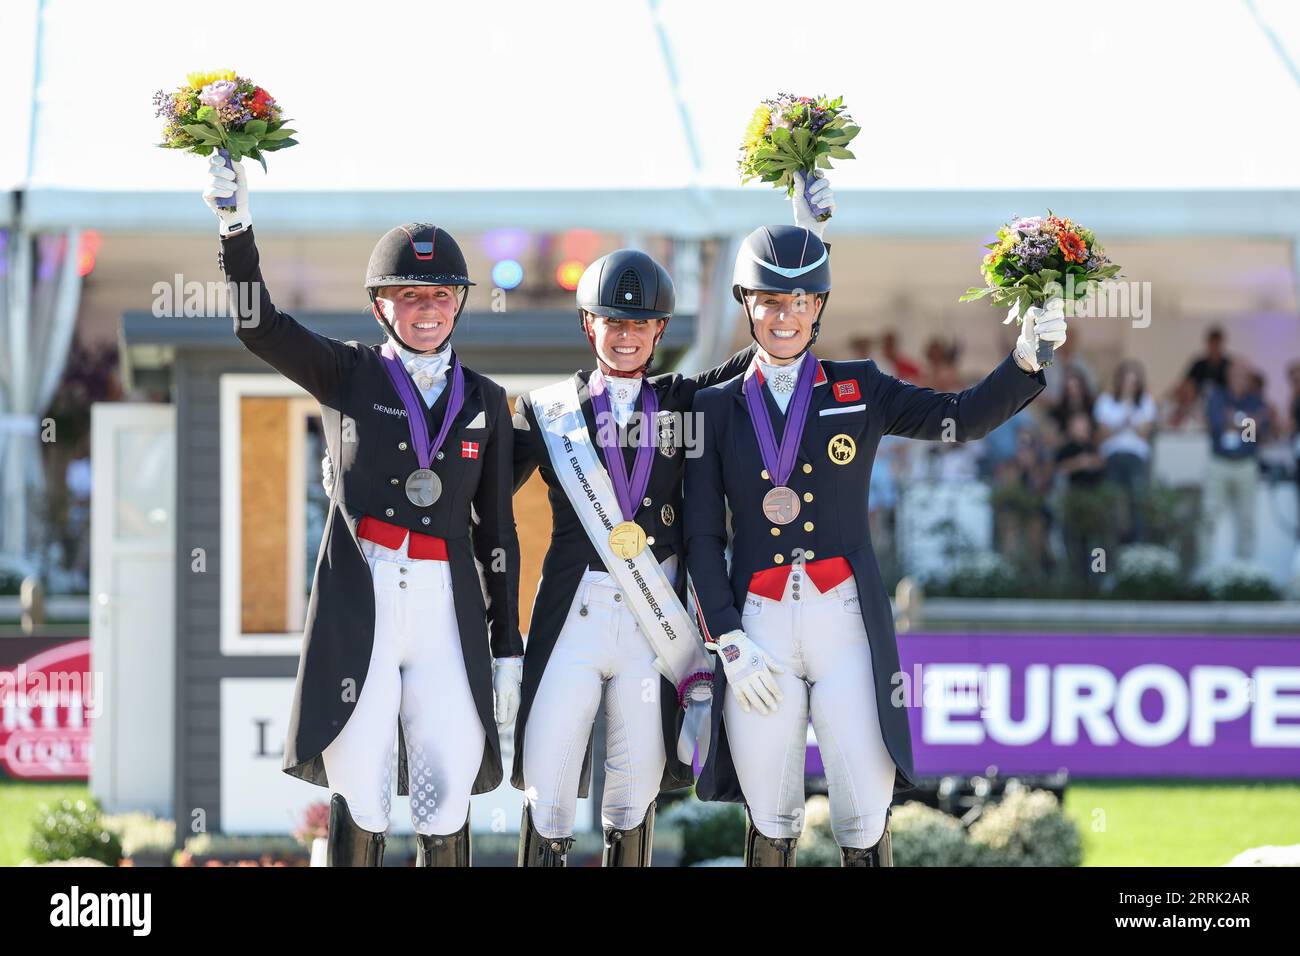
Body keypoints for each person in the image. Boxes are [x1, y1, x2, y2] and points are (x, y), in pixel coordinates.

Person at [683, 175, 1064, 867]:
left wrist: (1025, 361)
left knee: (863, 806)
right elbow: (703, 537)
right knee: (771, 813)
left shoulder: (860, 389)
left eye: (799, 300)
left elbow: (959, 417)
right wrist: (727, 638)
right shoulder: (714, 407)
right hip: (759, 628)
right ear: (747, 305)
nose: (784, 316)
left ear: (819, 305)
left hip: (845, 621)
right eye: (769, 301)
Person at [204, 155, 522, 867]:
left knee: (447, 794)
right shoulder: (346, 371)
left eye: (442, 295)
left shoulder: (485, 400)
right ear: (382, 305)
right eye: (411, 296)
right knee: (365, 794)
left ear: (460, 303)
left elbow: (496, 532)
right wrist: (235, 229)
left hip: (447, 604)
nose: (429, 308)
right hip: (365, 600)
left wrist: (507, 646)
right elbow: (260, 328)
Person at [509, 240, 770, 865]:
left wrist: (803, 228)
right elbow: (477, 497)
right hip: (575, 612)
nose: (626, 335)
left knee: (633, 795)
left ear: (660, 330)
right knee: (547, 786)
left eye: (641, 323)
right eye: (613, 320)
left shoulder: (685, 400)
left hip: (652, 625)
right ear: (588, 323)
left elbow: (767, 348)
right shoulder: (547, 413)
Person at [1202, 360, 1272, 561]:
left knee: (1246, 519)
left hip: (1246, 464)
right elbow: (1217, 424)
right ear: (1228, 377)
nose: (1239, 380)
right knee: (1209, 517)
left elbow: (1260, 429)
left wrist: (1234, 420)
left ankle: (1243, 570)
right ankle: (1205, 566)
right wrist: (1250, 420)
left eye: (1243, 376)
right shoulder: (1217, 397)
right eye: (1235, 375)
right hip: (1219, 463)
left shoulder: (1255, 401)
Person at [1093, 360, 1157, 543]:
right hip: (1113, 457)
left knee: (1137, 503)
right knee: (1112, 503)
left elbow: (1144, 432)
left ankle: (1137, 548)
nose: (1129, 385)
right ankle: (1111, 548)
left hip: (1136, 457)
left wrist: (1127, 417)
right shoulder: (1105, 401)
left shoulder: (1146, 402)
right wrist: (1123, 421)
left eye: (1133, 381)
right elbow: (1102, 433)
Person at [1184, 326, 1232, 397]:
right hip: (1199, 403)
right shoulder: (1198, 366)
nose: (1214, 348)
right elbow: (1187, 383)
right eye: (1212, 344)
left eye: (1216, 344)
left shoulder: (1228, 366)